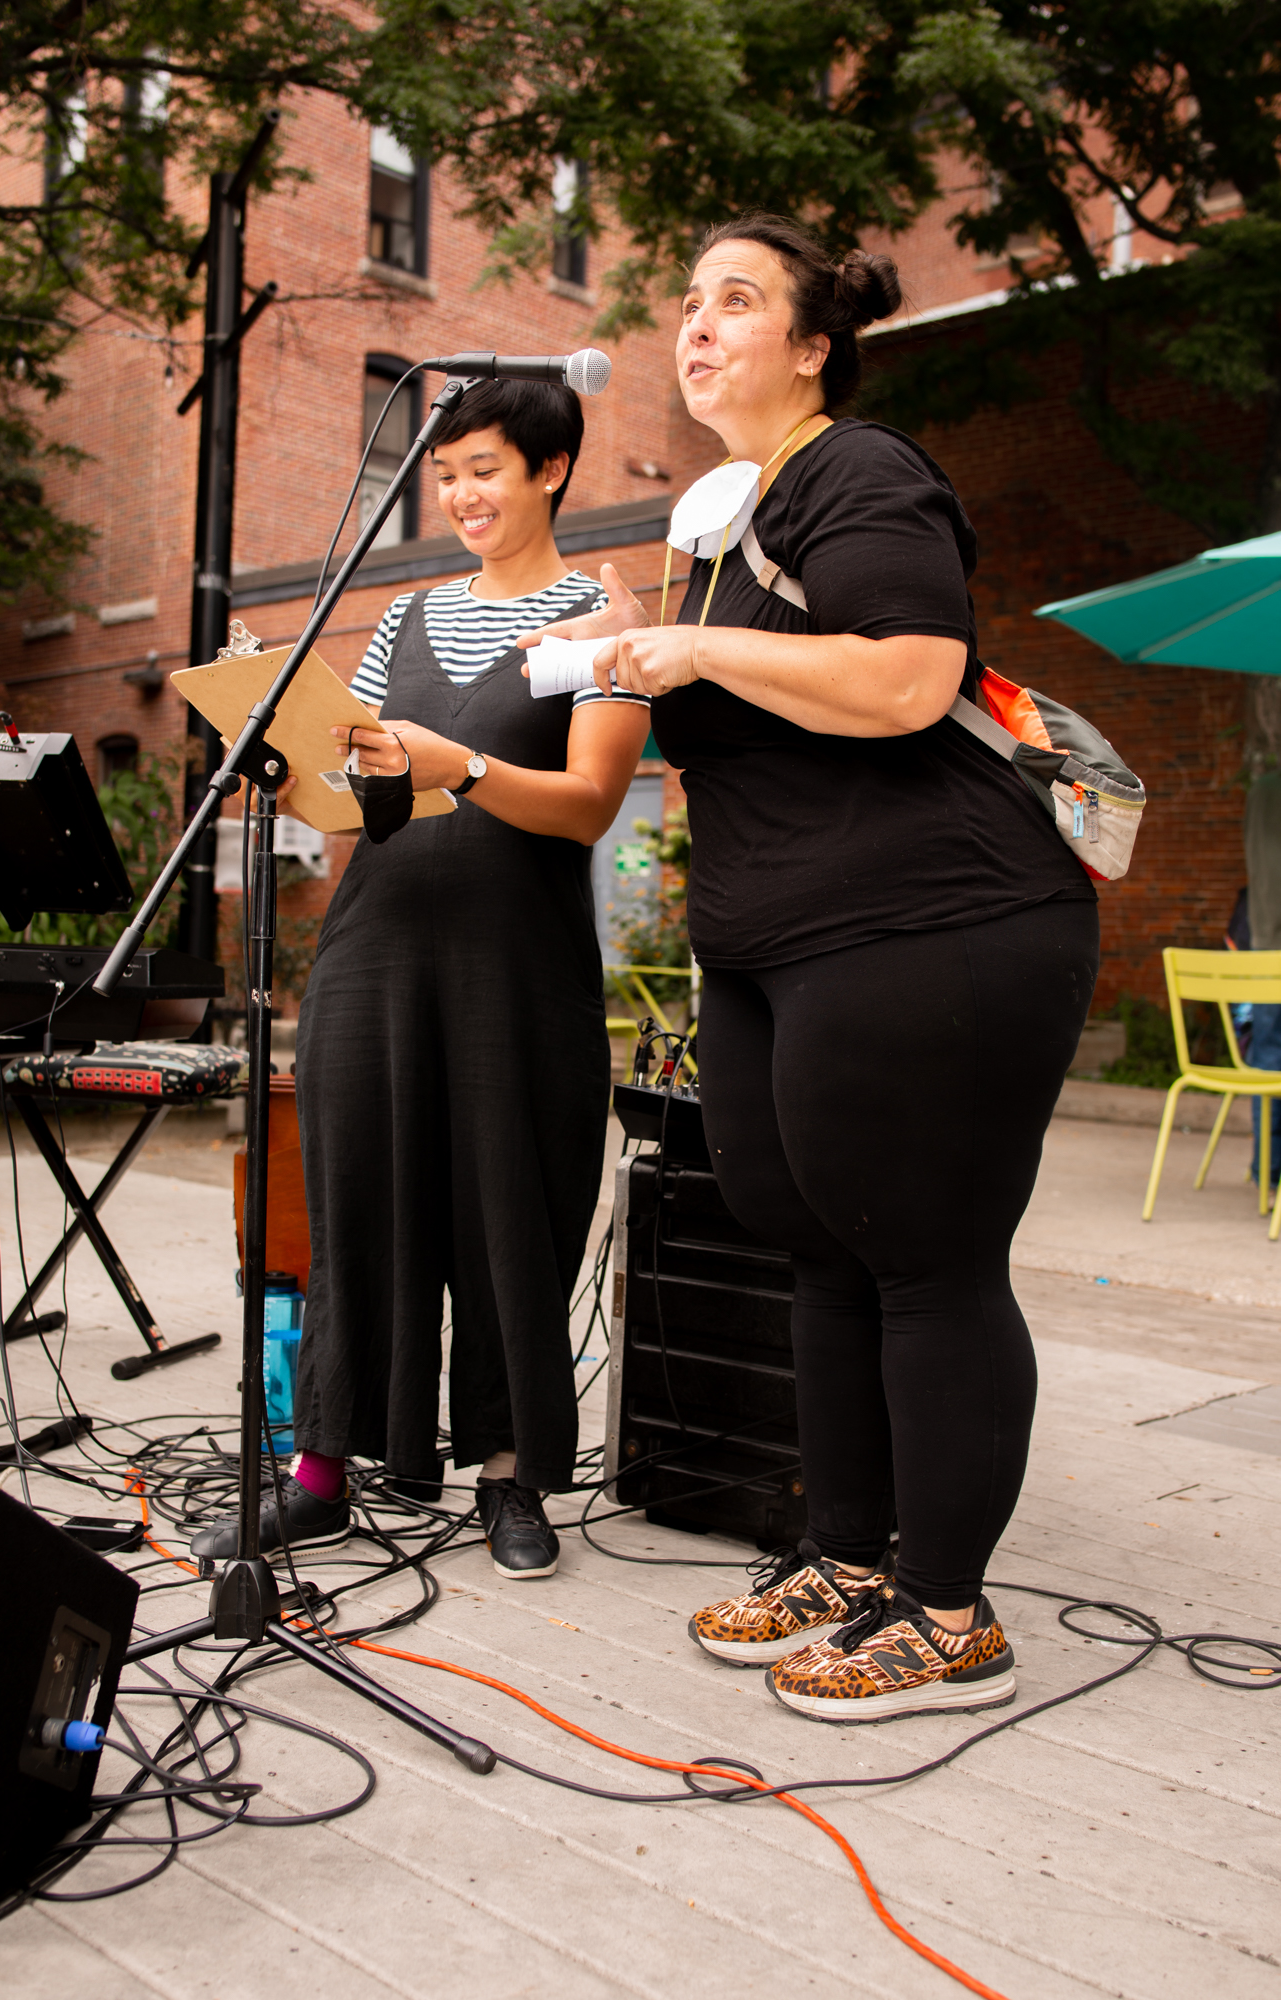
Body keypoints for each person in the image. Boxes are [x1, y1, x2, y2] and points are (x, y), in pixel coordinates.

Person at [527, 216, 1099, 1719]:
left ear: (809, 343)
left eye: (737, 301)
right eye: (687, 305)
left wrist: (696, 655)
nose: (696, 327)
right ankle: (847, 1562)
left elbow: (907, 676)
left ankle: (949, 1609)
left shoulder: (861, 469)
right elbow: (763, 706)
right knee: (819, 1244)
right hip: (776, 941)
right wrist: (642, 640)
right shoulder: (714, 531)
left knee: (922, 1256)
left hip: (933, 925)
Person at [193, 379, 649, 1580]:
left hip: (515, 963)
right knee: (357, 1209)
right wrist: (291, 766)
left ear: (551, 469)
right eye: (446, 475)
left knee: (510, 1212)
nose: (460, 495)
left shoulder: (600, 617)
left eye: (485, 469)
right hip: (375, 945)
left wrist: (464, 762)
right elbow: (363, 799)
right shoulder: (400, 615)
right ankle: (324, 1473)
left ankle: (509, 1475)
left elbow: (590, 803)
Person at [1244, 772, 1281, 1188]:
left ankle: (1266, 1170)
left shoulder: (1264, 789)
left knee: (1268, 1058)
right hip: (1271, 945)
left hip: (1266, 943)